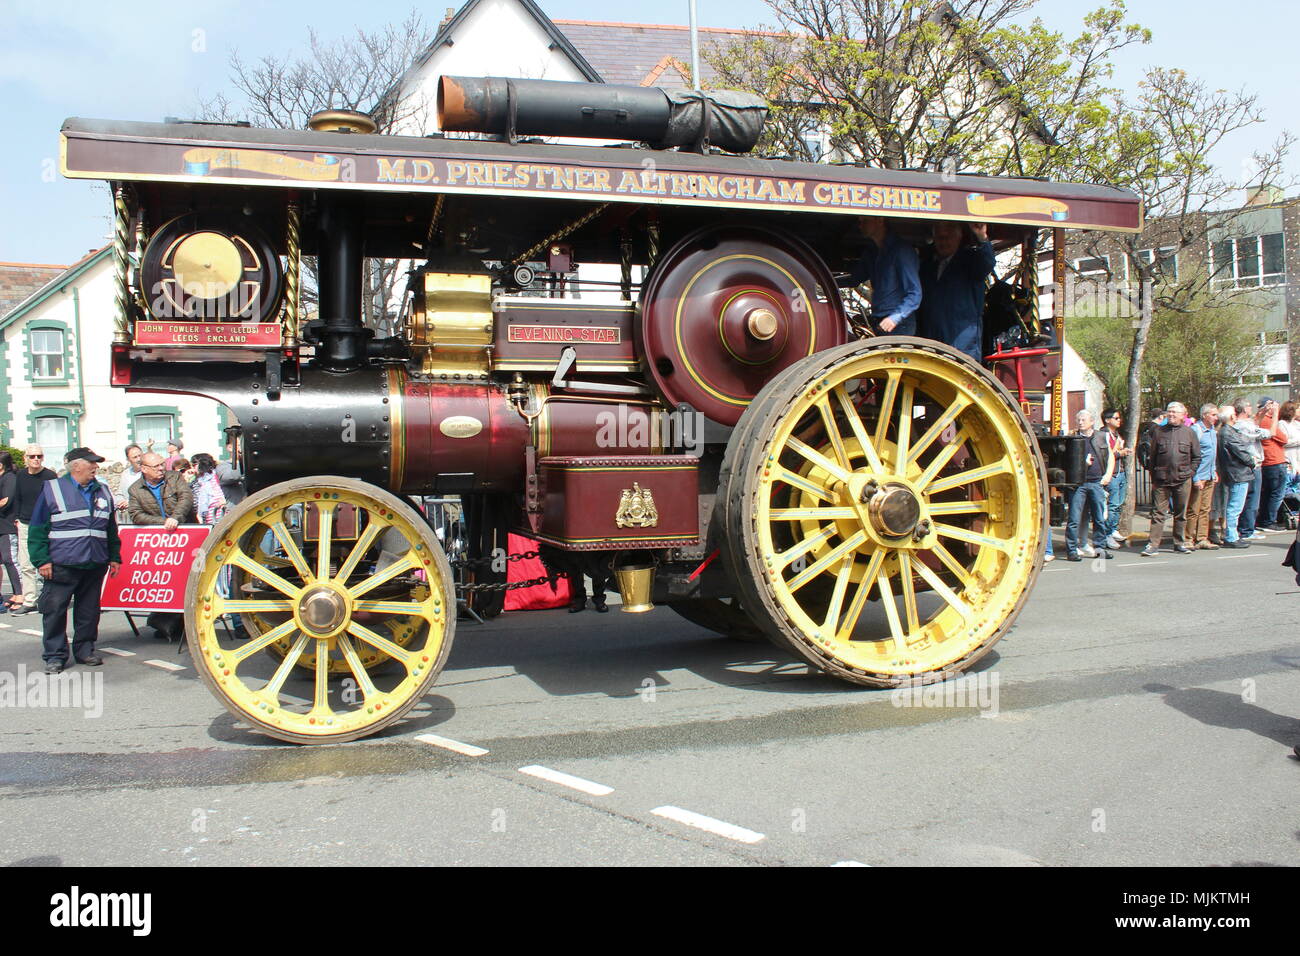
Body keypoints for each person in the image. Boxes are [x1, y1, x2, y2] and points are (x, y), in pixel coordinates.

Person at [27, 448, 122, 674]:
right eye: (92, 463)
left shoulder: (103, 491)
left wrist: (114, 556)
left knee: (89, 611)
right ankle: (55, 655)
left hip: (94, 562)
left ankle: (85, 650)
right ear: (76, 466)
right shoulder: (53, 489)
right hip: (62, 563)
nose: (95, 467)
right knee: (55, 611)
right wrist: (42, 560)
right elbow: (38, 528)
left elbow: (110, 528)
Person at [128, 451, 195, 641]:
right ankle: (166, 622)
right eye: (156, 466)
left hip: (188, 537)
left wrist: (176, 518)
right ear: (143, 469)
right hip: (162, 545)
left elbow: (186, 498)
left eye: (162, 464)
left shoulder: (175, 478)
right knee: (166, 582)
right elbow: (136, 514)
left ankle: (187, 623)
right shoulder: (135, 489)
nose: (161, 468)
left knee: (189, 580)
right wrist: (163, 522)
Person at [918, 220, 996, 363]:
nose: (944, 242)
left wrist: (982, 237)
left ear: (959, 237)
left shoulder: (970, 260)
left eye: (948, 237)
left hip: (962, 341)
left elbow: (987, 263)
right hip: (932, 340)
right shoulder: (928, 266)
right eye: (940, 238)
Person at [845, 216, 922, 336]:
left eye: (864, 220)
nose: (860, 226)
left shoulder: (901, 250)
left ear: (880, 220)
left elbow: (915, 294)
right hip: (879, 320)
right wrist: (821, 282)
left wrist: (895, 318)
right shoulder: (871, 252)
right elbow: (853, 279)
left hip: (899, 324)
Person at [1141, 401, 1200, 557]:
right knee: (1158, 513)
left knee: (1181, 513)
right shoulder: (1159, 432)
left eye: (1175, 412)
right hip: (1162, 480)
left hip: (1182, 479)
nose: (1171, 414)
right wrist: (1154, 478)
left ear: (1183, 415)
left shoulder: (1189, 432)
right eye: (1169, 411)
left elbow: (1196, 457)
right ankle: (1153, 545)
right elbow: (1152, 457)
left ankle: (1179, 543)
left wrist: (1190, 472)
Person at [10, 445, 57, 615]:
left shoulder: (50, 476)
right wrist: (16, 517)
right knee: (26, 564)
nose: (36, 459)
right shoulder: (21, 475)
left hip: (45, 524)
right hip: (25, 523)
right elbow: (18, 497)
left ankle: (51, 599)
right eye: (32, 456)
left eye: (39, 456)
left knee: (47, 563)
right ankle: (30, 600)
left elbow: (55, 499)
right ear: (25, 458)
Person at [1065, 410, 1114, 561]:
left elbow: (1110, 456)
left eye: (1083, 419)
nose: (1080, 422)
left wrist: (1107, 476)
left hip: (1096, 482)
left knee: (1099, 518)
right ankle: (1072, 550)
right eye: (1078, 419)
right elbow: (1067, 461)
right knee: (1074, 518)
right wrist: (1082, 464)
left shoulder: (1101, 436)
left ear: (1092, 422)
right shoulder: (1072, 439)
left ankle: (1100, 547)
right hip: (1078, 484)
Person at [1231, 398, 1271, 542]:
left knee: (1251, 498)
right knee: (1252, 498)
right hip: (1251, 464)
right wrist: (1276, 413)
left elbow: (1256, 421)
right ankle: (1246, 530)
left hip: (1253, 464)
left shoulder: (1247, 423)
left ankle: (1248, 528)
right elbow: (1269, 433)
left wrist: (1264, 411)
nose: (1251, 407)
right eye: (1248, 405)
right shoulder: (1242, 425)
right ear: (1243, 409)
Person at [1216, 404, 1256, 549]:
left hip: (1235, 472)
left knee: (1234, 506)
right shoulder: (1228, 433)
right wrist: (1252, 461)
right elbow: (1241, 452)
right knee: (1235, 507)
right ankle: (1231, 536)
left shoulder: (1225, 431)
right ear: (1232, 416)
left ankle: (1233, 535)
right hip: (1237, 473)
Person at [1186, 403, 1220, 549]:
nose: (1216, 417)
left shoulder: (1212, 431)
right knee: (1194, 508)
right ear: (1205, 415)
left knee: (1205, 508)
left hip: (1210, 475)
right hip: (1199, 475)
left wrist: (1214, 471)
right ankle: (1188, 538)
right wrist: (1195, 477)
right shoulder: (1196, 430)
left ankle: (1202, 538)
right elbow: (1191, 456)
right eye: (1213, 415)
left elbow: (1211, 454)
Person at [1256, 397, 1290, 531]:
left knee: (1268, 493)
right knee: (1276, 493)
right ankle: (1268, 521)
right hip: (1274, 461)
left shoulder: (1265, 420)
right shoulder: (1266, 421)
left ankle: (1264, 519)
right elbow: (1282, 438)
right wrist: (1274, 415)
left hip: (1271, 461)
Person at [1101, 409, 1130, 549]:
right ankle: (1107, 533)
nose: (1119, 420)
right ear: (1107, 420)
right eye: (1116, 418)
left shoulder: (1116, 434)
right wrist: (1121, 453)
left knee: (1118, 504)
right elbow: (1107, 454)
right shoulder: (1103, 434)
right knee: (1112, 505)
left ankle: (1113, 529)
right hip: (1111, 474)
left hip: (1120, 472)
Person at [0, 453, 22, 610]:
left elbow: (6, 501)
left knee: (10, 559)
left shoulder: (9, 478)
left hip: (6, 525)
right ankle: (14, 593)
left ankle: (20, 593)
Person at [191, 453, 227, 526]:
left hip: (219, 516)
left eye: (194, 465)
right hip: (209, 518)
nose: (193, 468)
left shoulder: (216, 477)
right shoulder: (198, 482)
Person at [114, 444, 144, 514]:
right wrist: (120, 501)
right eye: (135, 457)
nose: (139, 459)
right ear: (128, 459)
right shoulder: (125, 473)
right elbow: (120, 492)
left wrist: (130, 502)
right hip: (129, 514)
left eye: (140, 456)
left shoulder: (149, 472)